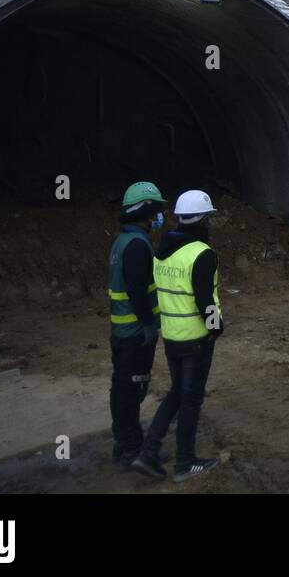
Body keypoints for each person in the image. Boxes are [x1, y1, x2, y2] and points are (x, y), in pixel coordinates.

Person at [131, 189, 224, 483]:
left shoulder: (162, 249)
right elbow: (204, 299)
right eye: (208, 218)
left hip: (172, 337)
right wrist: (215, 327)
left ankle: (147, 452)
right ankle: (185, 462)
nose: (209, 224)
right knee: (191, 399)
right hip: (196, 339)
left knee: (176, 393)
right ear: (200, 220)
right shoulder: (201, 254)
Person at [108, 182, 166, 468]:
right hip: (134, 334)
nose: (158, 217)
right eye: (155, 211)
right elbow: (137, 290)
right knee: (133, 390)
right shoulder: (138, 246)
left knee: (120, 387)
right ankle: (134, 449)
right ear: (144, 212)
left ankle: (123, 441)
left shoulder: (121, 241)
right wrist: (148, 325)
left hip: (120, 332)